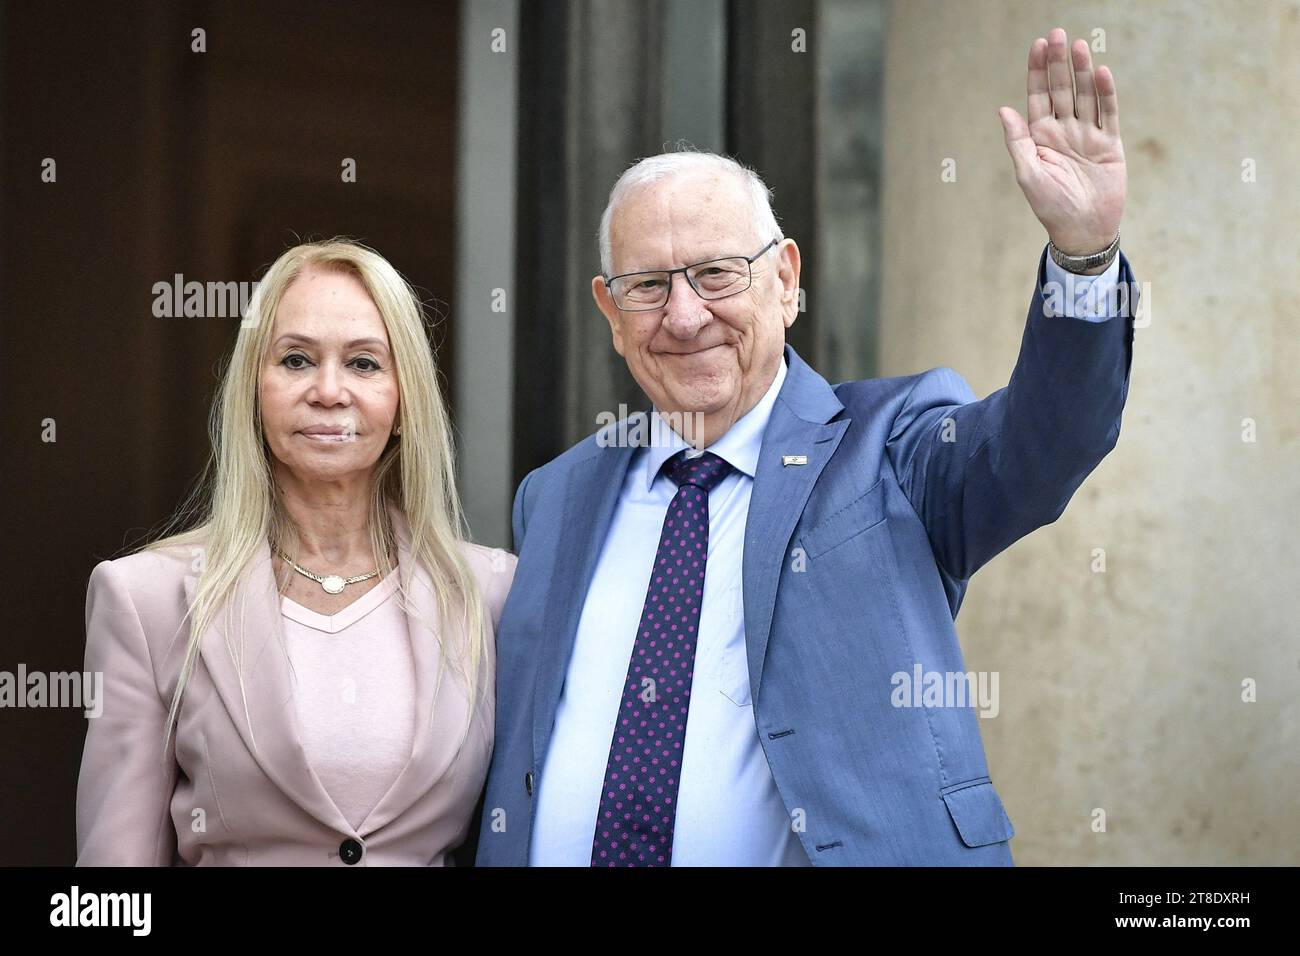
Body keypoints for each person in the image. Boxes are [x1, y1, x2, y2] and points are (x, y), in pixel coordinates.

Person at [477, 28, 1136, 865]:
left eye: (717, 275)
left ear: (785, 280)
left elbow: (1048, 446)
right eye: (649, 287)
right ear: (611, 313)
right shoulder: (556, 495)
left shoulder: (891, 446)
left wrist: (1084, 258)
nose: (684, 317)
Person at [76, 239, 515, 865]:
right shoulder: (147, 600)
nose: (329, 391)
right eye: (297, 359)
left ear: (404, 398)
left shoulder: (492, 594)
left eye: (364, 364)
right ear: (255, 388)